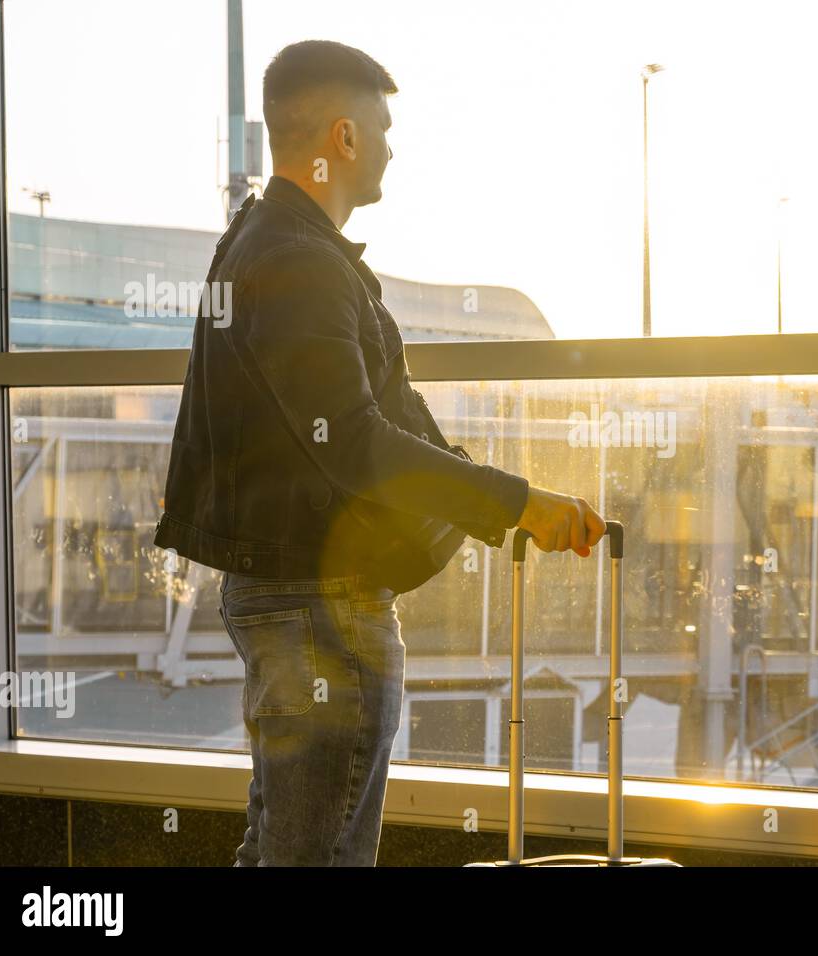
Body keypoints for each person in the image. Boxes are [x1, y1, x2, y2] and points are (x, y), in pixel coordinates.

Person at [153, 39, 605, 866]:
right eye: (383, 127)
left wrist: (487, 498)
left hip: (285, 596)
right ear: (343, 137)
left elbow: (355, 418)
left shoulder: (255, 242)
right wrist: (518, 503)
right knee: (318, 856)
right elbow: (354, 438)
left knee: (281, 848)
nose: (393, 146)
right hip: (321, 609)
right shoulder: (297, 261)